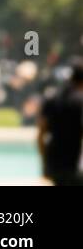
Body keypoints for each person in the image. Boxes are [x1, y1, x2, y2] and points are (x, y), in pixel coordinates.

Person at [38, 58, 83, 186]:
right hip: (74, 163)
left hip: (55, 162)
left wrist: (44, 161)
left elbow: (41, 134)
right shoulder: (81, 101)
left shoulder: (52, 99)